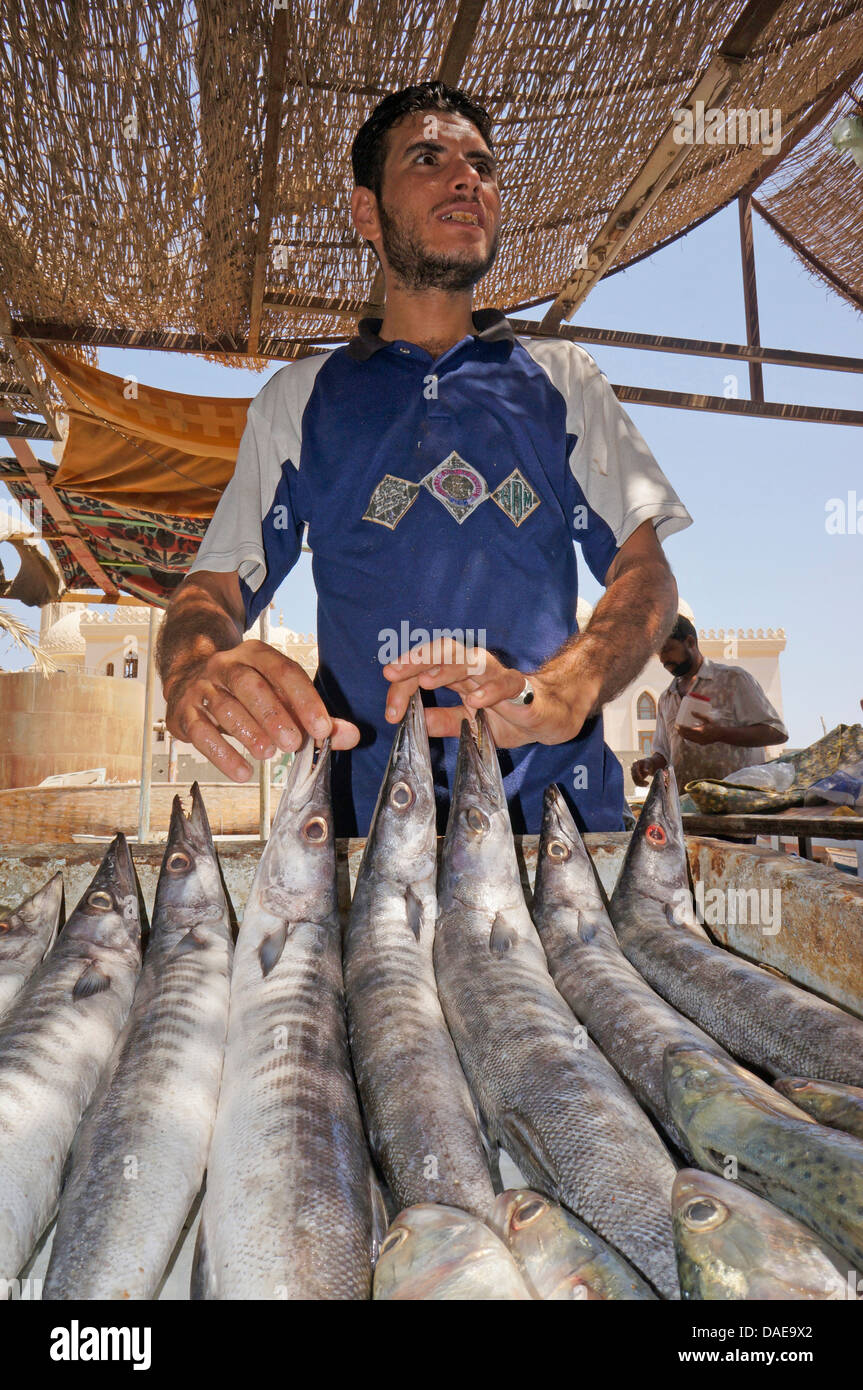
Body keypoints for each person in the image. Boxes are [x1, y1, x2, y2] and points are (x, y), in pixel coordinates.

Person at [157, 81, 693, 835]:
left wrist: (571, 685)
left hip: (561, 829)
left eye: (480, 163)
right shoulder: (298, 398)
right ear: (366, 212)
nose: (466, 177)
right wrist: (187, 672)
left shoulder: (564, 378)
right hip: (361, 839)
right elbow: (210, 593)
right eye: (428, 158)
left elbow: (644, 574)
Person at [631, 614, 788, 792]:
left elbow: (777, 733)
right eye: (659, 652)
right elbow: (665, 755)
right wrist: (649, 764)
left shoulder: (733, 680)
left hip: (736, 805)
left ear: (690, 642)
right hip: (688, 808)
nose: (663, 659)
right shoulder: (667, 698)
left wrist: (719, 734)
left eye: (668, 649)